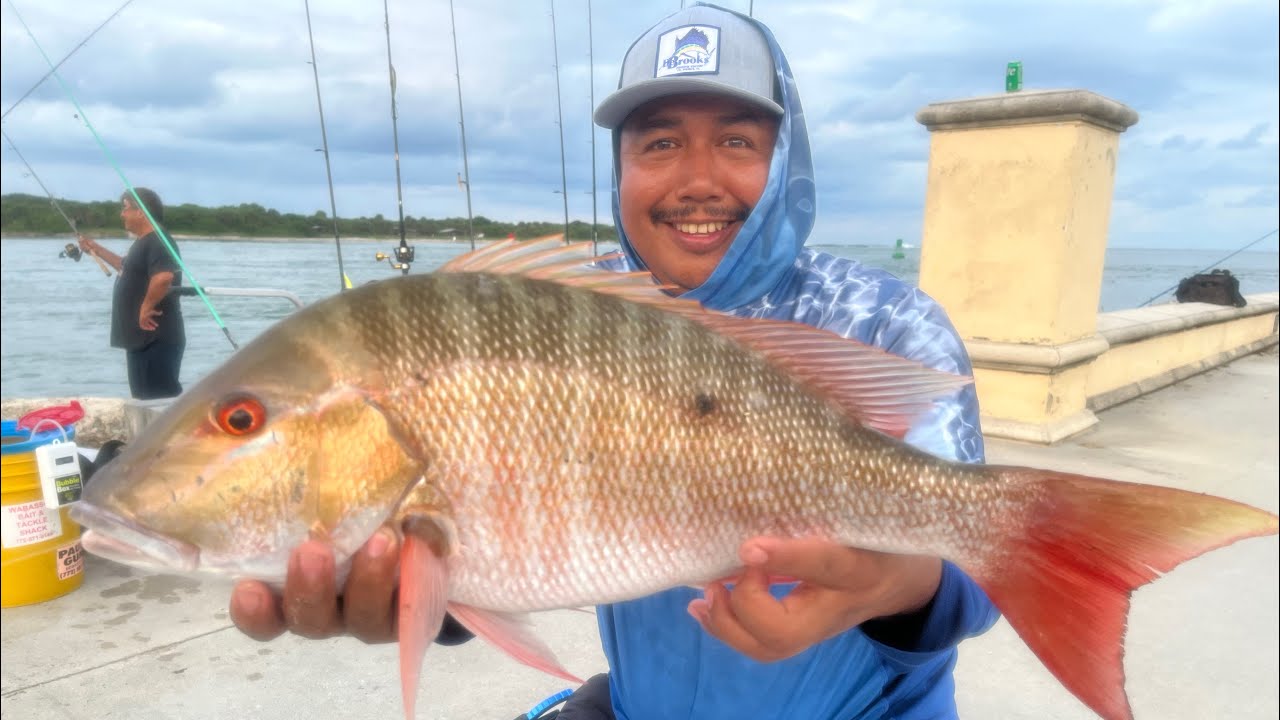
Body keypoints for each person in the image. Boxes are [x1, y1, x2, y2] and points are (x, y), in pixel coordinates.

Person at [229, 4, 998, 719]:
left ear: (787, 159)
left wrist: (901, 583)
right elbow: (517, 545)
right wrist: (420, 598)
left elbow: (987, 574)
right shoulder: (565, 315)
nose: (698, 180)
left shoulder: (883, 322)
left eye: (737, 140)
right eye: (659, 142)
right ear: (619, 167)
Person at [79, 187, 186, 400]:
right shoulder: (143, 242)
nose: (122, 214)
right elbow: (124, 267)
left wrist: (146, 307)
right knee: (143, 398)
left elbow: (164, 277)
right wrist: (96, 248)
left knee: (157, 401)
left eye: (126, 208)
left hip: (155, 338)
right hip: (141, 339)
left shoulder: (159, 240)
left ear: (141, 212)